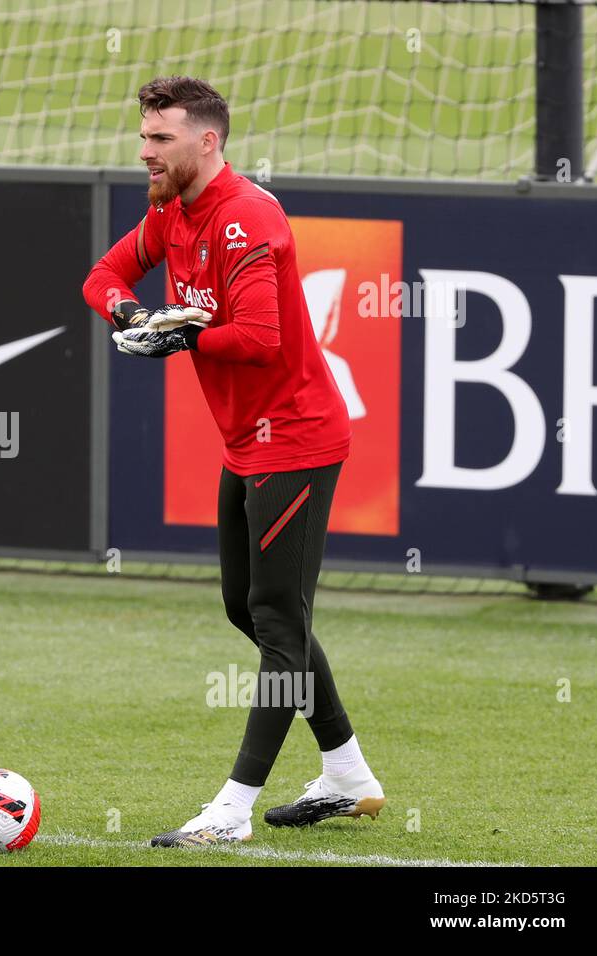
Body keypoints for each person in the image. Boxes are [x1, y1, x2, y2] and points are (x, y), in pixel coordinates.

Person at [82, 75, 385, 847]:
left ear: (206, 141)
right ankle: (347, 773)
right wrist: (134, 315)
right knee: (247, 608)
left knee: (278, 620)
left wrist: (177, 333)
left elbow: (259, 340)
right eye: (144, 136)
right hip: (247, 442)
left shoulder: (245, 218)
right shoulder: (171, 214)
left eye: (160, 139)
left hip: (297, 440)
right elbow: (103, 278)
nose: (144, 151)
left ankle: (232, 809)